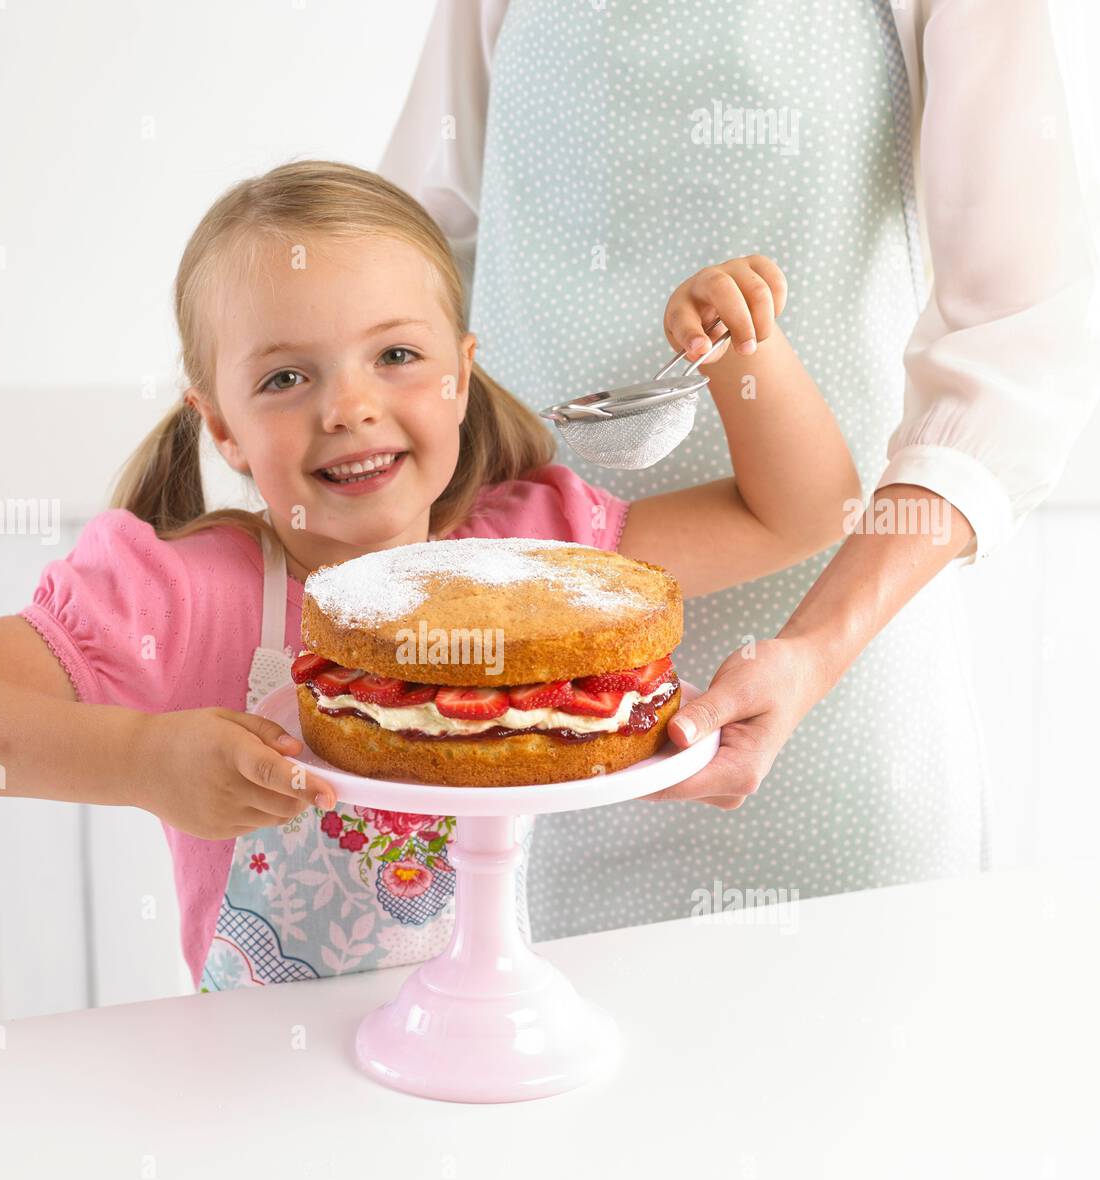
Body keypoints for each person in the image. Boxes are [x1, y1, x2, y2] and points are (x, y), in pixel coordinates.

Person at [0, 161, 855, 991]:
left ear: (460, 376)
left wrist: (741, 354)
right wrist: (140, 758)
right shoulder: (186, 594)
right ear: (222, 427)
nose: (348, 406)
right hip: (260, 1092)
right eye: (286, 377)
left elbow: (799, 511)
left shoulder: (538, 560)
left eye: (397, 356)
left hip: (481, 1041)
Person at [379, 0, 1100, 938]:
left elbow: (1016, 348)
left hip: (840, 692)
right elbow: (420, 250)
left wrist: (811, 653)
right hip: (517, 701)